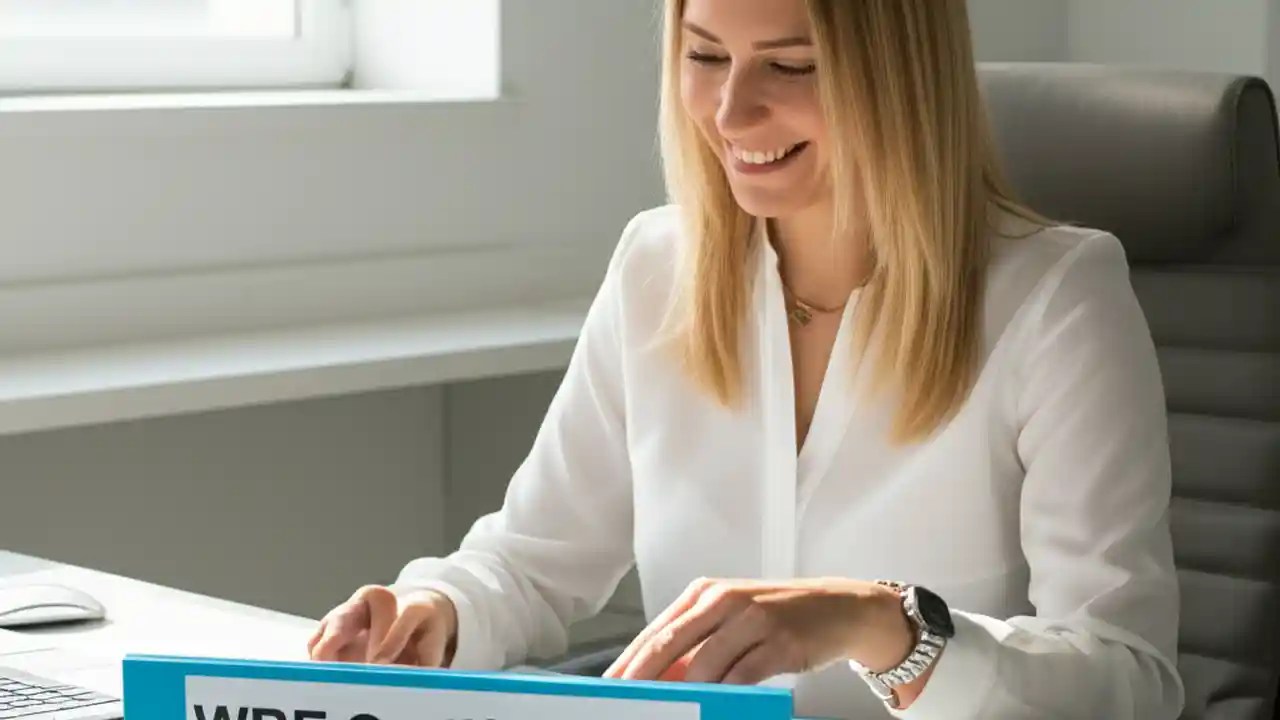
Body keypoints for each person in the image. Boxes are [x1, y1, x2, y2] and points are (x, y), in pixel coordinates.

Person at [308, 0, 1186, 717]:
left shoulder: (1059, 298)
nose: (730, 113)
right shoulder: (657, 267)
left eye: (790, 65)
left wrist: (880, 623)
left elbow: (1127, 679)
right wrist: (436, 611)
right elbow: (533, 563)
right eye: (704, 56)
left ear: (900, 77)